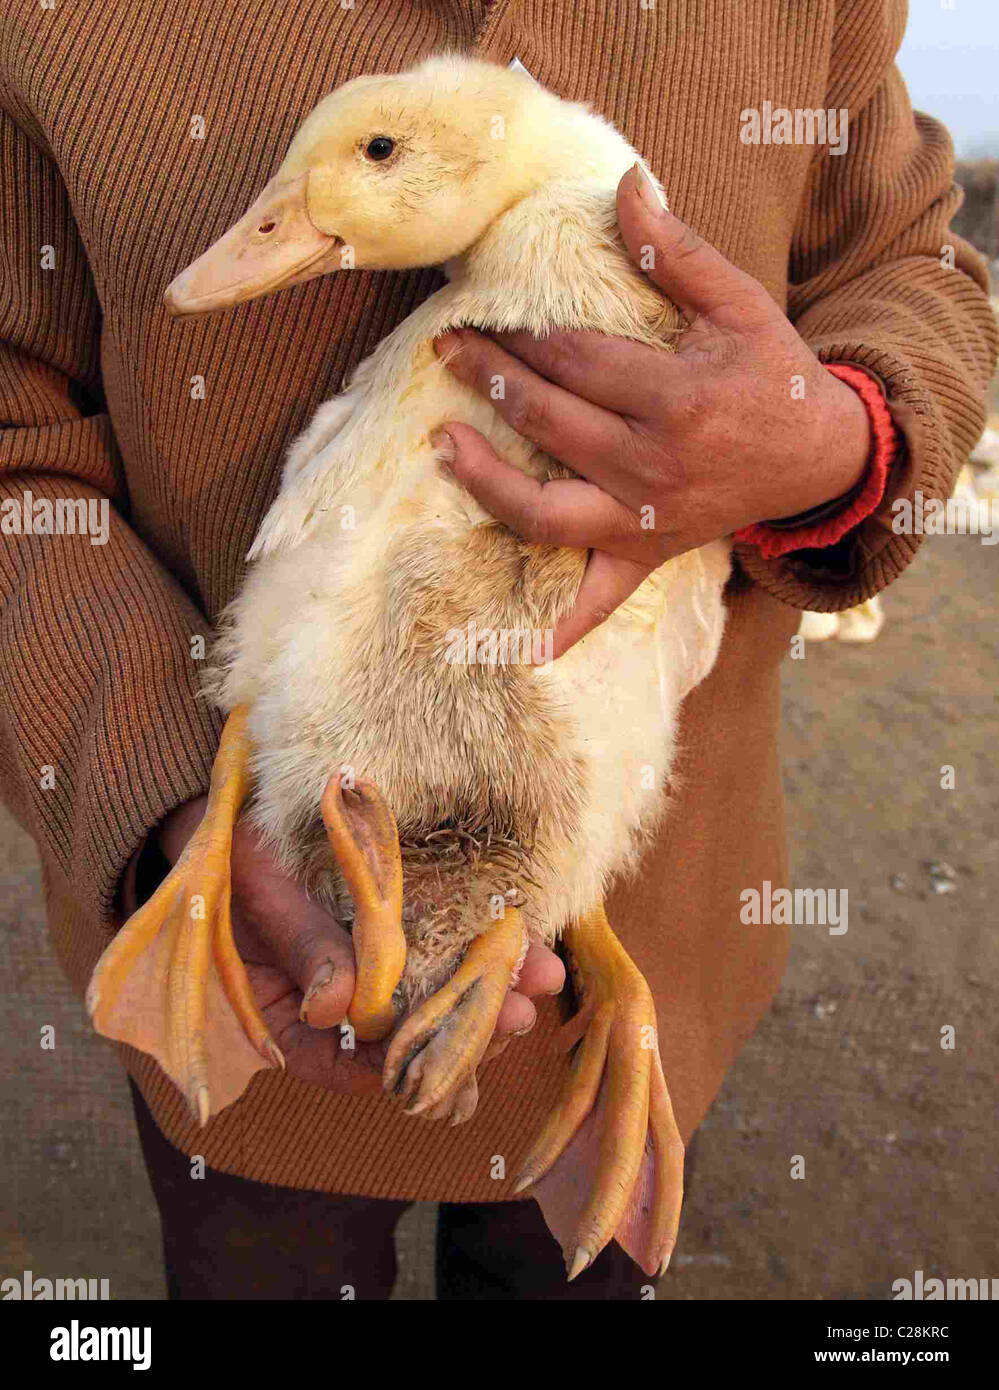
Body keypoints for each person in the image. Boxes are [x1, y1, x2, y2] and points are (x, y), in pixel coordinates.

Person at [1, 1, 994, 1300]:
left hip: (626, 948)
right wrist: (164, 794)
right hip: (250, 994)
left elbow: (909, 263)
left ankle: (617, 1004)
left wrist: (833, 438)